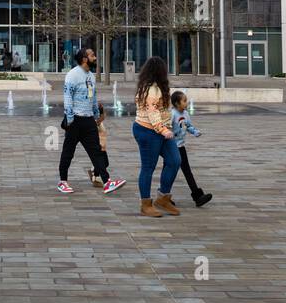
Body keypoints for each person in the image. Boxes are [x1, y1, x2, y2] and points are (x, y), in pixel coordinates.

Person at [58, 48, 125, 195]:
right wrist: (69, 119)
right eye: (92, 55)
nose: (95, 58)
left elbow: (93, 97)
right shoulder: (72, 75)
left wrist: (96, 116)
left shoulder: (91, 76)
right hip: (74, 120)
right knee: (68, 152)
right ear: (84, 59)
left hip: (88, 120)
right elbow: (67, 97)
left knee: (96, 152)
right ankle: (63, 182)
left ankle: (107, 182)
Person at [132, 56, 180, 218]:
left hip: (162, 130)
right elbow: (152, 113)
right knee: (148, 167)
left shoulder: (158, 87)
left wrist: (168, 128)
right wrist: (163, 130)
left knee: (174, 160)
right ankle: (146, 204)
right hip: (147, 131)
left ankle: (163, 198)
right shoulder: (151, 89)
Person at [171, 91, 212, 207]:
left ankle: (198, 196)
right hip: (172, 148)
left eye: (186, 100)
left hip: (181, 147)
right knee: (169, 172)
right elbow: (166, 128)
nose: (186, 102)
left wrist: (195, 132)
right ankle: (164, 196)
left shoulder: (185, 114)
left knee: (187, 171)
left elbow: (188, 126)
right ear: (176, 103)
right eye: (184, 101)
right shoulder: (172, 114)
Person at [86, 103, 110, 189]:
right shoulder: (95, 124)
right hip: (98, 147)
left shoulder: (100, 123)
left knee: (105, 163)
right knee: (102, 164)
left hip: (103, 147)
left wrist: (101, 109)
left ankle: (93, 171)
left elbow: (103, 116)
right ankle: (94, 177)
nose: (104, 116)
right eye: (102, 115)